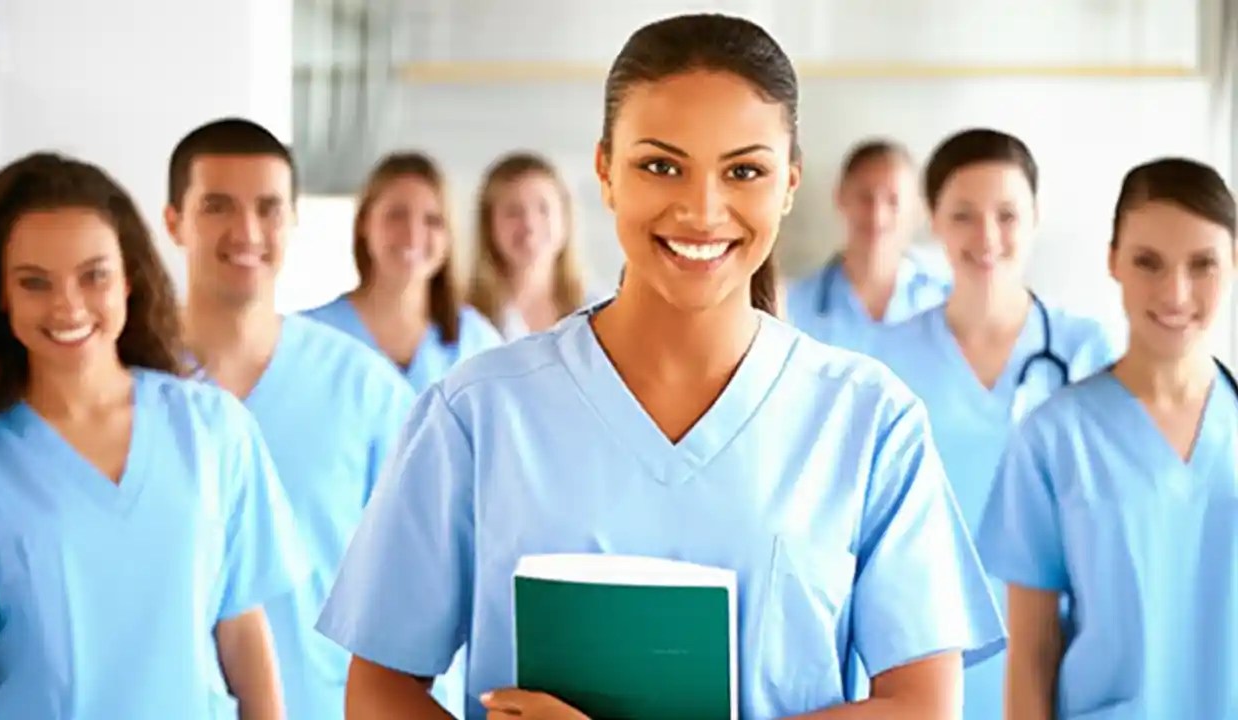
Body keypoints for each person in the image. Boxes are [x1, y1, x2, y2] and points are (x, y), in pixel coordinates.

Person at [315, 13, 1005, 720]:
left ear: (790, 183)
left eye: (744, 171)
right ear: (606, 172)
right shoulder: (478, 414)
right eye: (661, 165)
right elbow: (380, 688)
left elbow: (922, 705)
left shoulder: (867, 421)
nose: (702, 209)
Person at [0, 152, 304, 719]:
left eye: (93, 276)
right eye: (35, 283)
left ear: (128, 281)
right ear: (2, 296)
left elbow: (243, 634)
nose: (68, 305)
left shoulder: (214, 430)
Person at [164, 119, 419, 719]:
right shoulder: (129, 387)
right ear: (174, 221)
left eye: (269, 208)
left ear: (294, 221)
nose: (247, 231)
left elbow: (417, 590)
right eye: (217, 206)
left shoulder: (365, 390)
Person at [869, 128, 1121, 719]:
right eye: (963, 215)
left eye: (1007, 214)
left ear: (1036, 217)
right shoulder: (883, 365)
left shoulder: (1088, 351)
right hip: (927, 657)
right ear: (933, 221)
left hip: (1062, 656)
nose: (986, 237)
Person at [977, 157, 1238, 719]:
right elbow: (1032, 654)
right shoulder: (1053, 439)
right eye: (1149, 262)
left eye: (1203, 264)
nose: (1175, 292)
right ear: (1113, 260)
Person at [302, 152, 502, 392]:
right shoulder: (311, 337)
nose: (413, 234)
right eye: (396, 216)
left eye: (432, 220)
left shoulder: (475, 340)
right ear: (364, 222)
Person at [785, 139, 950, 354]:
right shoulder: (793, 307)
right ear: (840, 198)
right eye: (865, 198)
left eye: (893, 200)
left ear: (919, 209)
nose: (877, 216)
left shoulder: (948, 300)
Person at [468, 151, 589, 340]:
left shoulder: (600, 312)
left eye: (543, 209)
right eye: (513, 212)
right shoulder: (465, 320)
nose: (529, 224)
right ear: (489, 225)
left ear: (565, 219)